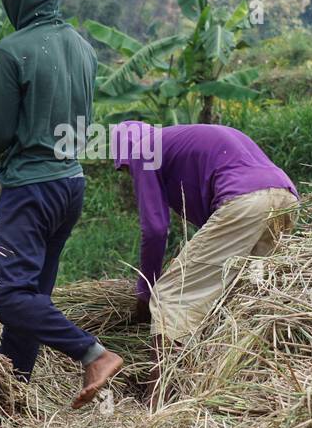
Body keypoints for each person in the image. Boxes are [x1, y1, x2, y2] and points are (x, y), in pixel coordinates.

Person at [0, 0, 123, 409]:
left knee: (4, 294)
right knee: (30, 300)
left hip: (30, 188)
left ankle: (93, 353)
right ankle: (11, 399)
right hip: (70, 185)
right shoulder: (84, 49)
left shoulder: (13, 50)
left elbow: (1, 130)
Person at [111, 121, 298, 394]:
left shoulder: (142, 150)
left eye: (126, 169)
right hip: (285, 196)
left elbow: (155, 229)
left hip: (245, 200)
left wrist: (146, 290)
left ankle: (160, 396)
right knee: (244, 293)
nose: (131, 175)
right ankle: (247, 382)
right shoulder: (181, 140)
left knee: (173, 294)